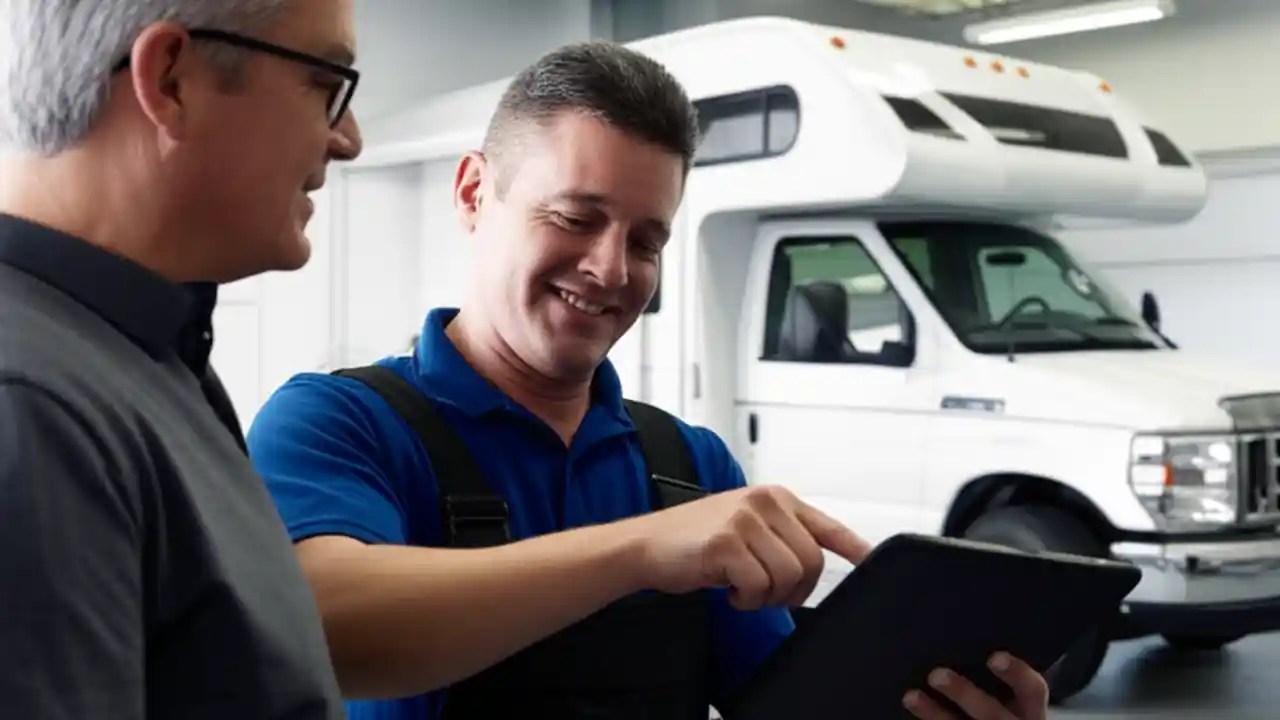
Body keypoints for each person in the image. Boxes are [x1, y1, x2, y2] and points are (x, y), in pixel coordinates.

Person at [247, 42, 1050, 720]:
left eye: (646, 240)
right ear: (472, 193)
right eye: (575, 218)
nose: (610, 269)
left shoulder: (689, 465)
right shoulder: (339, 423)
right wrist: (641, 552)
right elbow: (318, 624)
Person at [0, 1, 363, 717]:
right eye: (327, 85)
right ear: (170, 81)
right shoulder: (33, 408)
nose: (347, 138)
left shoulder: (137, 354)